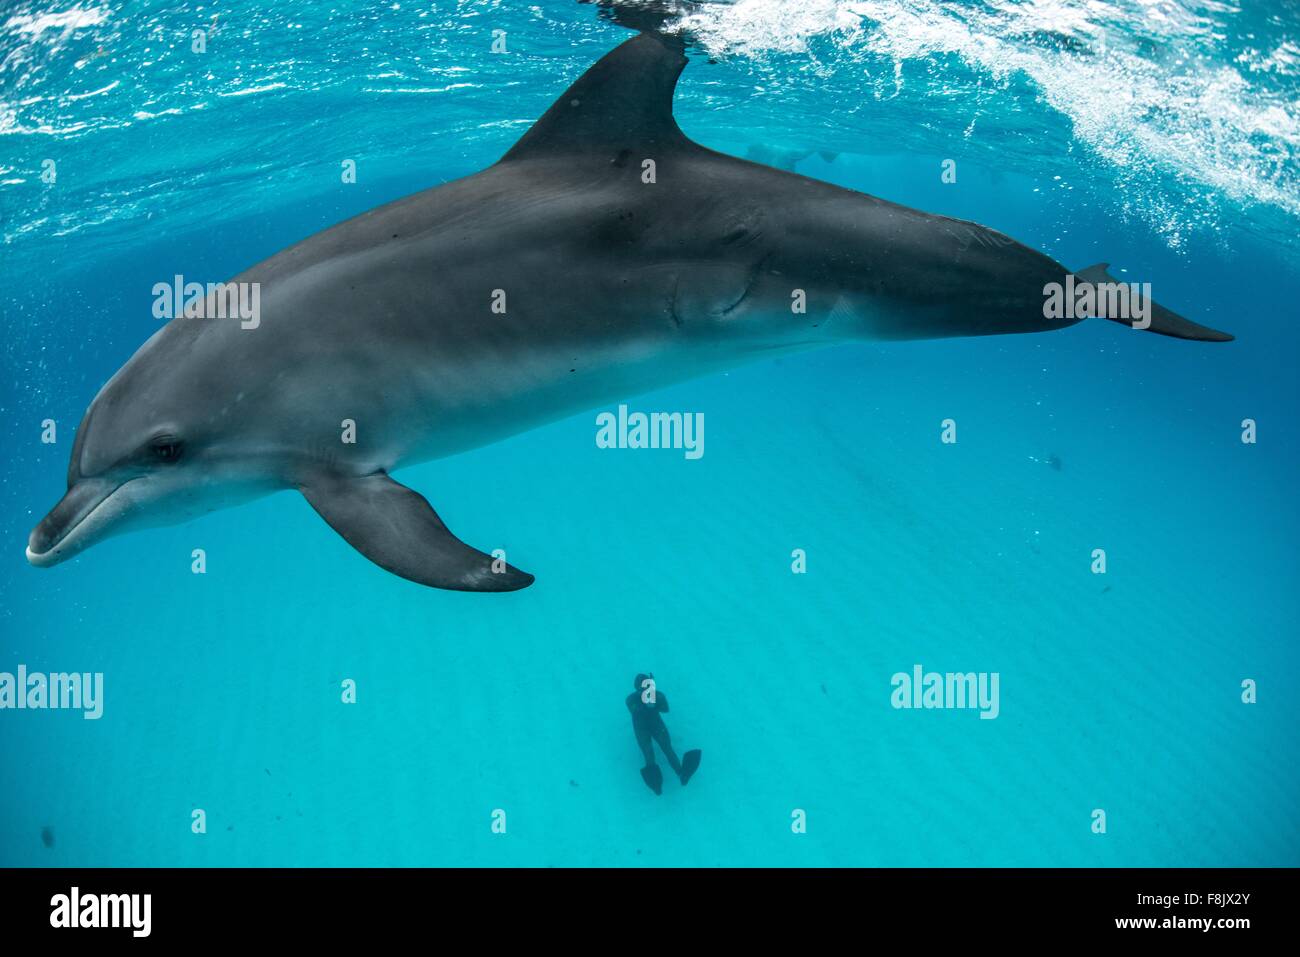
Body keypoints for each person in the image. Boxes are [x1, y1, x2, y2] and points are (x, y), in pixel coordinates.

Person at [626, 673, 701, 795]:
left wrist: (655, 704)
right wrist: (647, 705)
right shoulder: (631, 699)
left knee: (667, 749)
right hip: (642, 728)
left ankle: (681, 774)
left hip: (655, 725)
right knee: (649, 754)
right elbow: (634, 711)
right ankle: (656, 784)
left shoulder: (657, 695)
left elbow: (666, 709)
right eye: (642, 688)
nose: (644, 690)